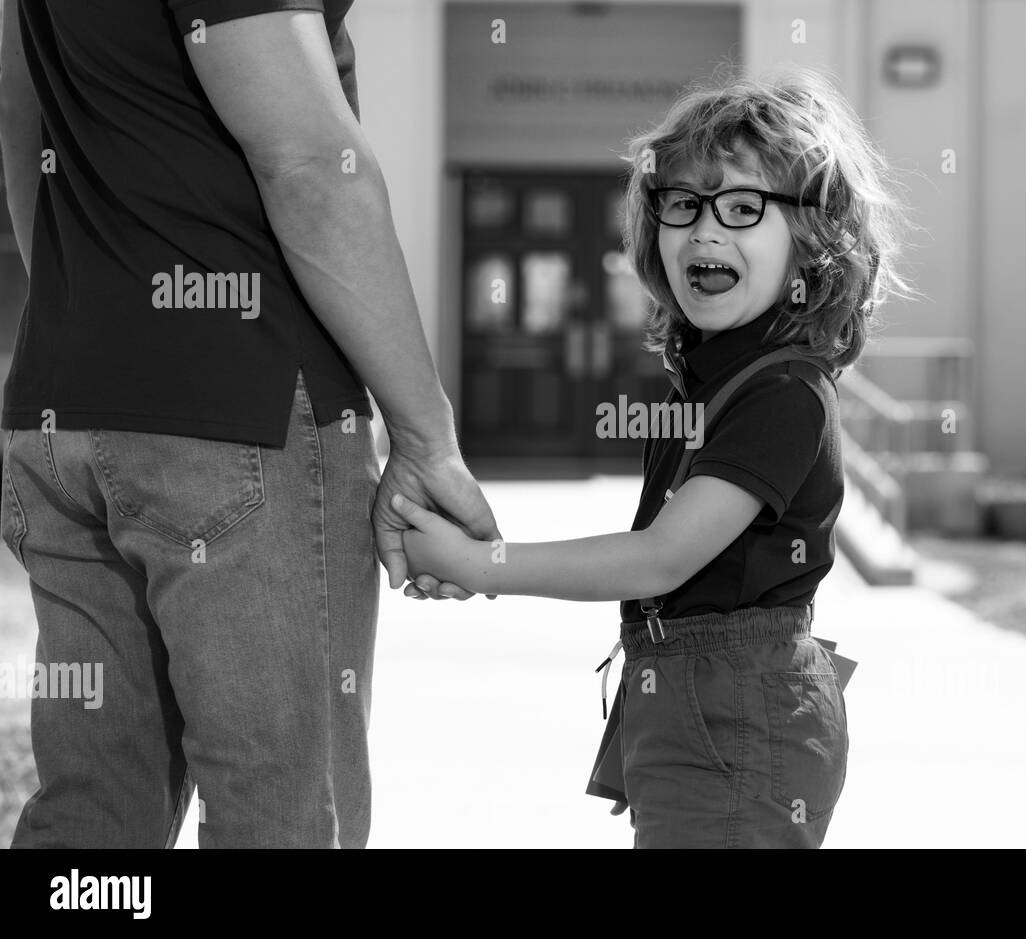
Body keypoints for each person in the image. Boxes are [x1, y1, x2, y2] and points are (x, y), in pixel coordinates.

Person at [0, 0, 493, 848]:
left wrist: (88, 319)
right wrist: (425, 435)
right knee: (282, 815)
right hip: (243, 410)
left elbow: (19, 114)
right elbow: (308, 162)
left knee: (92, 815)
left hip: (68, 402)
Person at [393, 67, 907, 848]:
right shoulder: (708, 379)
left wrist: (479, 564)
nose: (704, 231)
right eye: (682, 204)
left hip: (740, 719)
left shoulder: (784, 394)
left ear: (812, 246)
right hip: (691, 702)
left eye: (743, 208)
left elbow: (661, 559)